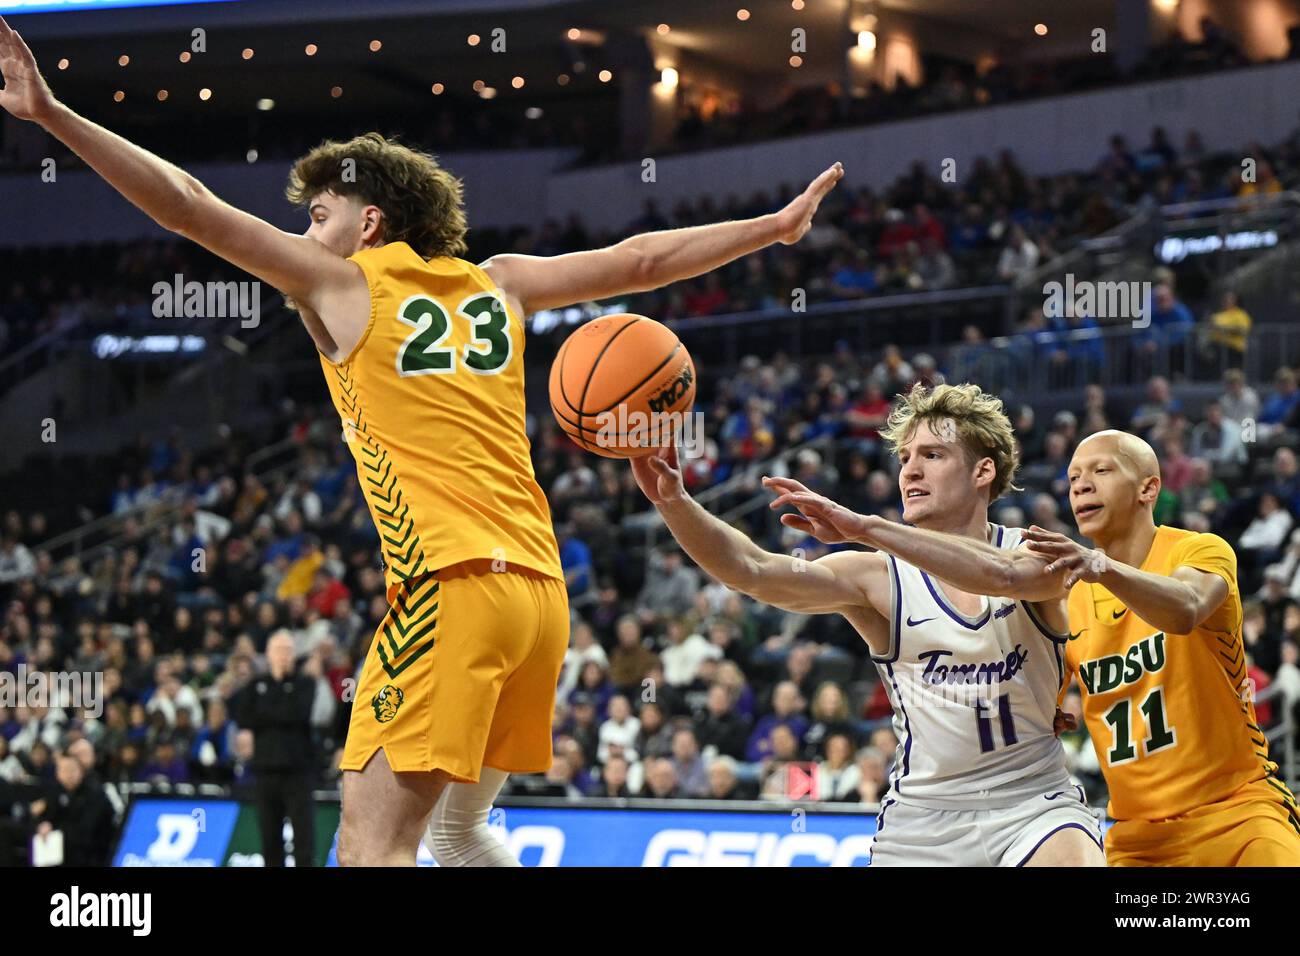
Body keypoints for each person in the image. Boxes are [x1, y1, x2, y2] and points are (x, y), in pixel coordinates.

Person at [0, 15, 844, 866]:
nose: (302, 234)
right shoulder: (499, 282)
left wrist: (55, 115)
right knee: (459, 834)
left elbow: (187, 206)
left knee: (370, 848)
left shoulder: (335, 282)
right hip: (540, 600)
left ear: (368, 223)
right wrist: (768, 229)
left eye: (317, 214)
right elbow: (637, 264)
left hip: (451, 589)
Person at [630, 382, 1103, 866]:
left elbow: (1001, 575)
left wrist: (865, 526)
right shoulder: (878, 577)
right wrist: (674, 502)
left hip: (1034, 804)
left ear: (984, 470)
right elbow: (751, 571)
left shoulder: (1035, 551)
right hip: (923, 820)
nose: (910, 470)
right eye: (904, 458)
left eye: (932, 455)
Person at [1020, 430, 1300, 866]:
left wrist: (1105, 568)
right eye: (1073, 477)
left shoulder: (1201, 550)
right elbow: (1040, 710)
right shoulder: (1067, 599)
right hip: (1138, 838)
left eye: (1101, 470)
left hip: (1239, 813)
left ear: (1148, 488)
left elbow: (1185, 609)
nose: (1081, 485)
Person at [233, 631, 317, 867]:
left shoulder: (305, 683)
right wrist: (275, 709)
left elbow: (298, 714)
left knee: (304, 839)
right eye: (279, 650)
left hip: (297, 771)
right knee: (270, 838)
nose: (283, 655)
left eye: (288, 650)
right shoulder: (255, 684)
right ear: (268, 654)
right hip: (265, 771)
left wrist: (265, 713)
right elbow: (243, 715)